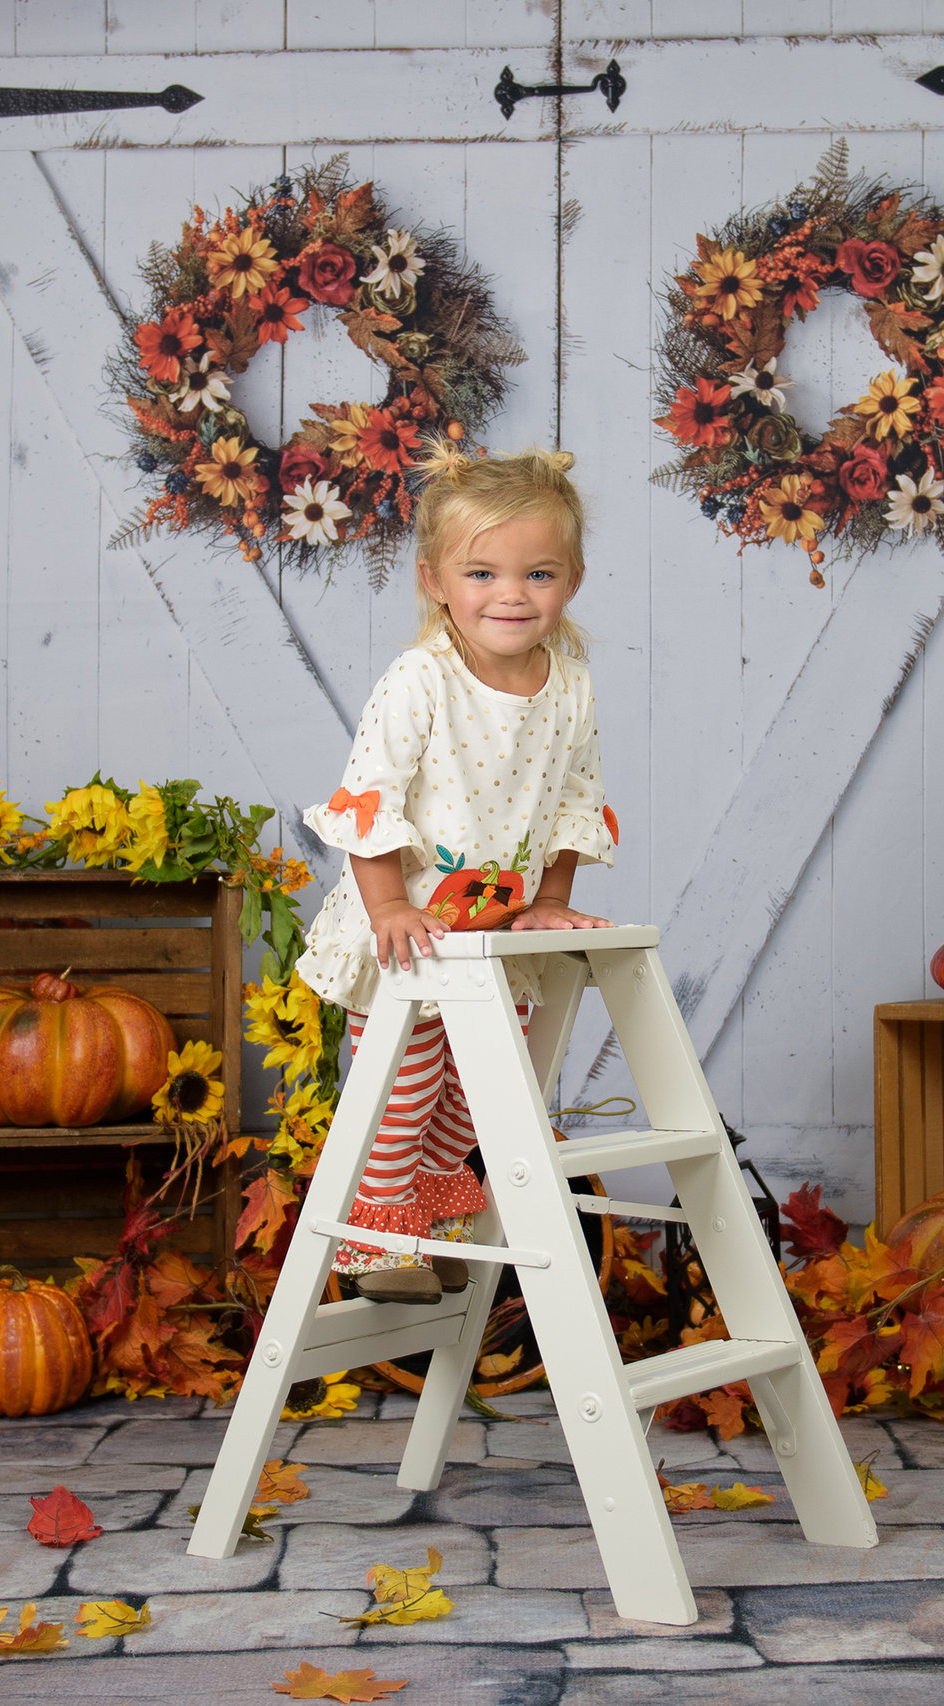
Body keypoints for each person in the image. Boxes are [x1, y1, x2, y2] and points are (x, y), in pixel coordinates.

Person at [297, 442, 617, 1304]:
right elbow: (369, 797)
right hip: (408, 930)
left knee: (477, 1100)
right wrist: (390, 905)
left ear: (572, 581)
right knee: (403, 1092)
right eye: (482, 572)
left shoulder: (570, 685)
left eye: (538, 574)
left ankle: (437, 1225)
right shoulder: (421, 681)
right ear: (437, 579)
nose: (511, 594)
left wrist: (550, 901)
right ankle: (373, 1237)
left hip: (496, 933)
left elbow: (571, 803)